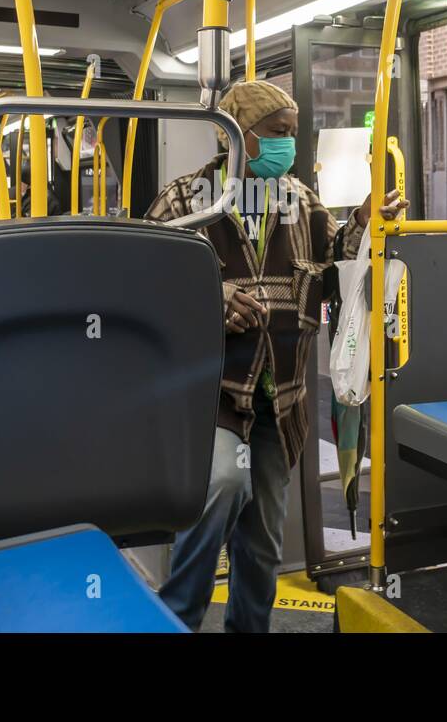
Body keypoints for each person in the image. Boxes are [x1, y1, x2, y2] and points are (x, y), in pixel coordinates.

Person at [145, 79, 406, 632]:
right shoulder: (183, 201)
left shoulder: (301, 201)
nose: (289, 145)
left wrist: (362, 223)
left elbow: (335, 267)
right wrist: (209, 299)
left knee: (262, 540)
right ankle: (175, 620)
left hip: (279, 397)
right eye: (278, 133)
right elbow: (141, 282)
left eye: (293, 134)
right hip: (209, 392)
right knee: (222, 484)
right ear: (239, 136)